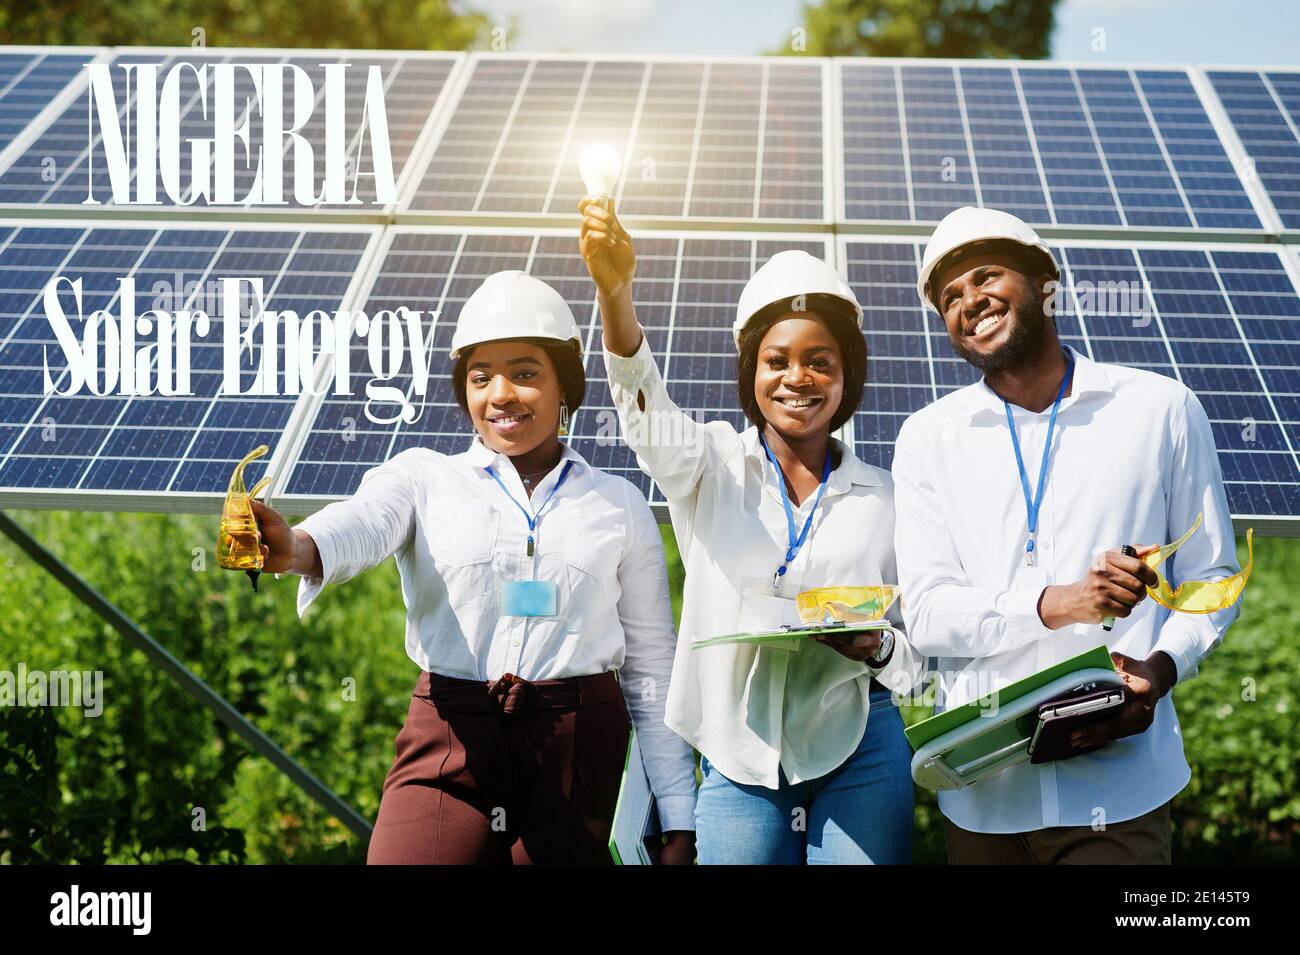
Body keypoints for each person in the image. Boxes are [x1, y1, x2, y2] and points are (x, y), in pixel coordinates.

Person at [250, 270, 697, 864]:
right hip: (450, 734)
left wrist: (678, 816)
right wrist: (298, 546)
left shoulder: (618, 503)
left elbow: (651, 667)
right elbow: (365, 521)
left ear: (566, 384)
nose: (502, 393)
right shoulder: (424, 476)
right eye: (481, 377)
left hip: (578, 748)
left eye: (526, 373)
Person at [892, 206, 1242, 864]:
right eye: (951, 297)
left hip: (1120, 789)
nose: (971, 301)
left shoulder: (1160, 408)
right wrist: (1061, 601)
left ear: (1044, 283)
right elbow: (929, 612)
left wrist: (1159, 671)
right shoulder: (926, 438)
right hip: (984, 798)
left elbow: (1213, 578)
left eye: (987, 276)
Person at [579, 200, 924, 865]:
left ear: (846, 374)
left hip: (860, 744)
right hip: (738, 756)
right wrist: (615, 292)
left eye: (820, 359)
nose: (798, 376)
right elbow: (640, 402)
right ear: (752, 372)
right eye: (777, 360)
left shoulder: (885, 496)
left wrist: (876, 644)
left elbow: (917, 656)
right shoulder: (706, 464)